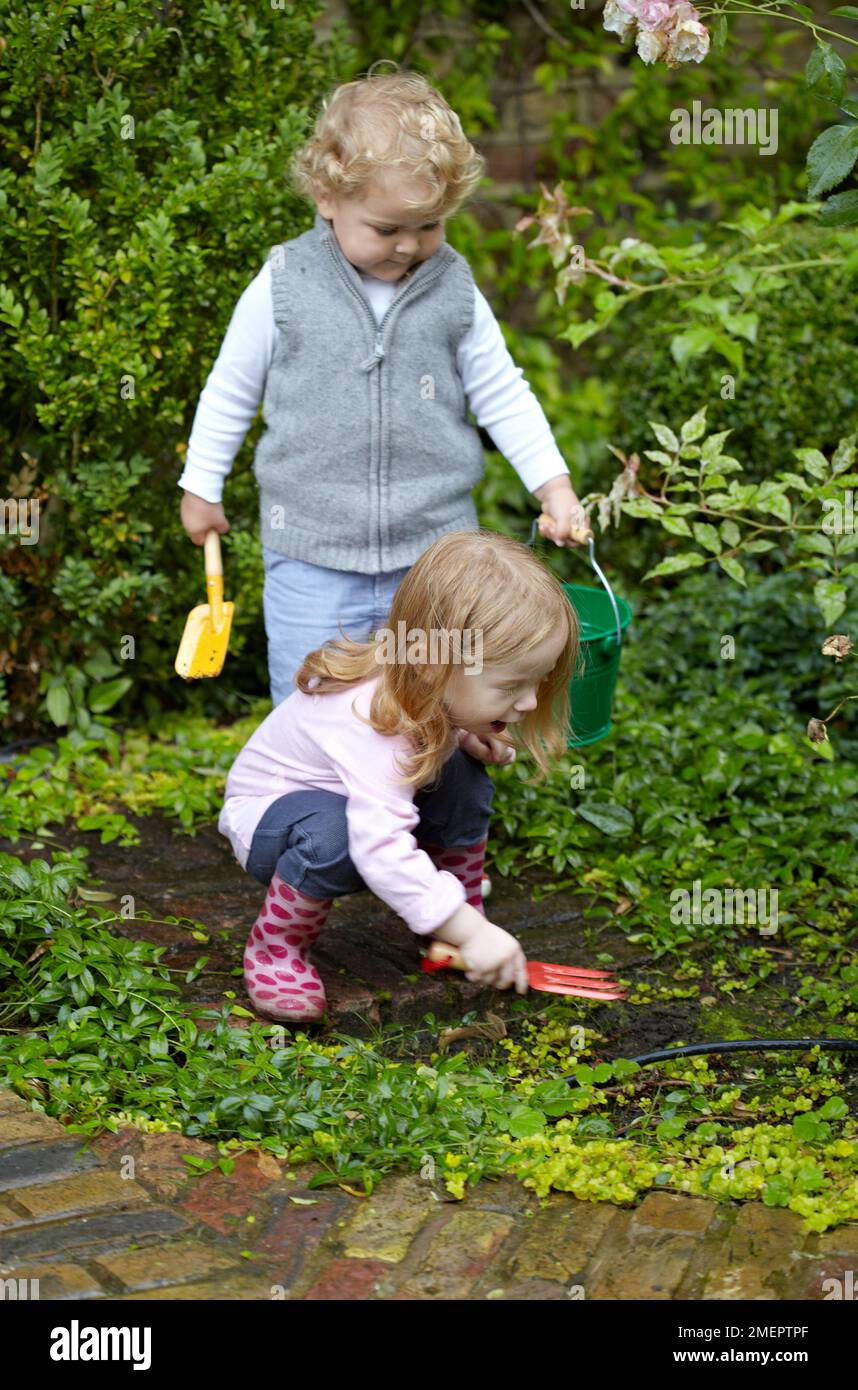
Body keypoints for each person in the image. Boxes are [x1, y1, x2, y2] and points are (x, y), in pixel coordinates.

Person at [178, 66, 588, 711]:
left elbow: (503, 392)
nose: (408, 246)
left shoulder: (453, 287)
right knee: (310, 700)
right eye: (386, 229)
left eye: (428, 227)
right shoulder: (285, 283)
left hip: (435, 564)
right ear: (326, 196)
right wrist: (201, 486)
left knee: (434, 704)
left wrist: (555, 487)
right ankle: (312, 811)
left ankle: (428, 810)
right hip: (312, 554)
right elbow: (231, 388)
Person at [218, 529, 579, 1023]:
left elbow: (440, 742)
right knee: (336, 837)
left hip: (351, 803)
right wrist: (475, 935)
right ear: (436, 665)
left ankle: (449, 915)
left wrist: (471, 736)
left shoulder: (428, 687)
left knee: (465, 778)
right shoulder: (375, 723)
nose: (531, 702)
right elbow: (378, 847)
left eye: (537, 681)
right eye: (511, 685)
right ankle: (276, 948)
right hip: (270, 818)